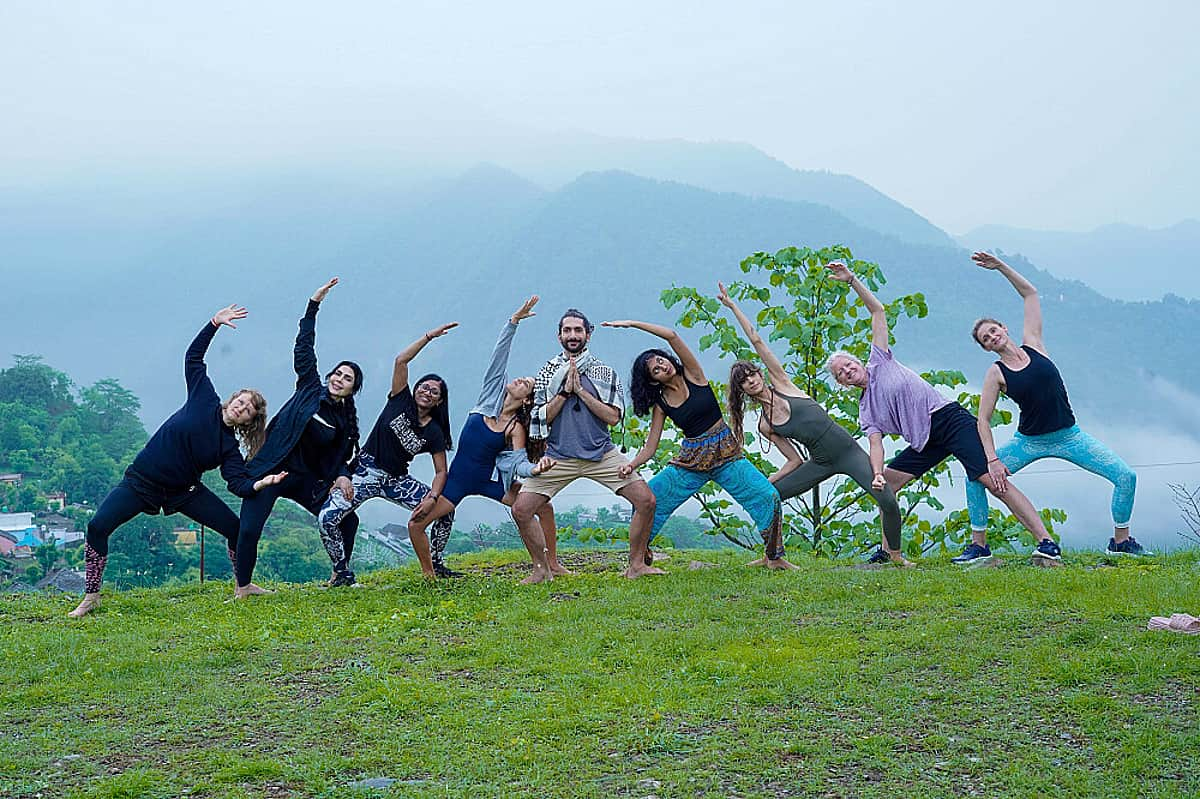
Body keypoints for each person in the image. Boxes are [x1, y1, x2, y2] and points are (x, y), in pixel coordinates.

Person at [824, 260, 1057, 565]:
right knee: (887, 488)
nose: (848, 371)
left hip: (950, 420)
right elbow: (876, 444)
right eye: (841, 373)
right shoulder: (866, 409)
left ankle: (1046, 542)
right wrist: (878, 475)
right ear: (842, 383)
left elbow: (878, 312)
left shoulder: (879, 360)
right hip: (924, 440)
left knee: (993, 481)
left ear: (858, 361)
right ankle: (888, 550)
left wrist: (851, 280)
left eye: (848, 364)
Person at [70, 305, 285, 617]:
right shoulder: (203, 398)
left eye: (249, 409)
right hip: (141, 481)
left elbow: (237, 483)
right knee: (97, 526)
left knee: (236, 529)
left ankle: (244, 586)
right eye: (241, 400)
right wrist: (214, 324)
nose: (242, 407)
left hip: (184, 491)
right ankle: (91, 597)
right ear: (231, 399)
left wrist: (260, 483)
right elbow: (193, 359)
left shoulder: (228, 447)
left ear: (249, 422)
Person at [717, 283, 910, 566]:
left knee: (887, 499)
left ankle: (895, 556)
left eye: (753, 374)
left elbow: (757, 341)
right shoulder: (765, 425)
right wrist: (769, 482)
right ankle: (772, 556)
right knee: (770, 498)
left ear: (760, 373)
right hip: (819, 462)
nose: (752, 381)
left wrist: (733, 307)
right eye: (745, 381)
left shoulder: (783, 383)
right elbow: (794, 460)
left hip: (848, 452)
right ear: (742, 390)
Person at [966, 251, 1144, 556]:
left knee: (1126, 476)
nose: (992, 337)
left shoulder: (1034, 344)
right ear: (986, 348)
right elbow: (983, 420)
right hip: (1029, 442)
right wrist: (993, 460)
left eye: (993, 330)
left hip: (1069, 436)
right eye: (986, 338)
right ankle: (979, 547)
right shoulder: (996, 373)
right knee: (976, 476)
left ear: (1004, 328)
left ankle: (1121, 542)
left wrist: (1000, 267)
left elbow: (1030, 293)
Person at [606, 317, 789, 568]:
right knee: (649, 498)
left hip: (726, 455)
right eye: (655, 370)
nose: (662, 367)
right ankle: (639, 559)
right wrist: (632, 464)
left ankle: (773, 558)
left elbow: (671, 334)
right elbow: (651, 446)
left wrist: (633, 325)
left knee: (767, 495)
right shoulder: (662, 403)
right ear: (653, 380)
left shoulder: (693, 374)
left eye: (661, 360)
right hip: (691, 461)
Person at [406, 296, 563, 584]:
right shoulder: (487, 401)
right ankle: (428, 576)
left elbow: (519, 465)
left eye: (525, 383)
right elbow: (498, 358)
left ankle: (547, 566)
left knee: (543, 506)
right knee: (415, 524)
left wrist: (536, 469)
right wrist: (513, 322)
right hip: (456, 482)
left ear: (527, 398)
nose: (518, 381)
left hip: (490, 483)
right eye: (520, 378)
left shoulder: (515, 428)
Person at [235, 278, 362, 597]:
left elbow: (341, 458)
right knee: (249, 529)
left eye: (347, 379)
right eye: (338, 373)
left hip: (305, 480)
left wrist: (344, 477)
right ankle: (244, 587)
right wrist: (313, 305)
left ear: (351, 390)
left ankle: (340, 573)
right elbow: (304, 346)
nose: (339, 379)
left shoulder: (343, 422)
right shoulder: (308, 388)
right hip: (269, 470)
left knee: (348, 519)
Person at [511, 308, 661, 579]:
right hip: (557, 456)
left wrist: (581, 391)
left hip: (601, 454)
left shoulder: (604, 372)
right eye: (567, 330)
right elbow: (540, 417)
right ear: (559, 336)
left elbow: (614, 417)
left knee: (647, 501)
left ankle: (637, 565)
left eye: (578, 330)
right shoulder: (547, 373)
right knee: (521, 510)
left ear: (588, 335)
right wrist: (565, 392)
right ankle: (541, 569)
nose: (572, 335)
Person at [316, 319, 459, 584]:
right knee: (327, 518)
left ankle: (436, 562)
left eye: (434, 392)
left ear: (440, 401)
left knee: (445, 510)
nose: (427, 392)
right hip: (365, 471)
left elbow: (441, 470)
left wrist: (432, 497)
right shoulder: (400, 400)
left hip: (396, 480)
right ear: (415, 388)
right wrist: (428, 337)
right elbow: (401, 361)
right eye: (424, 386)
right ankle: (341, 572)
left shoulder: (434, 431)